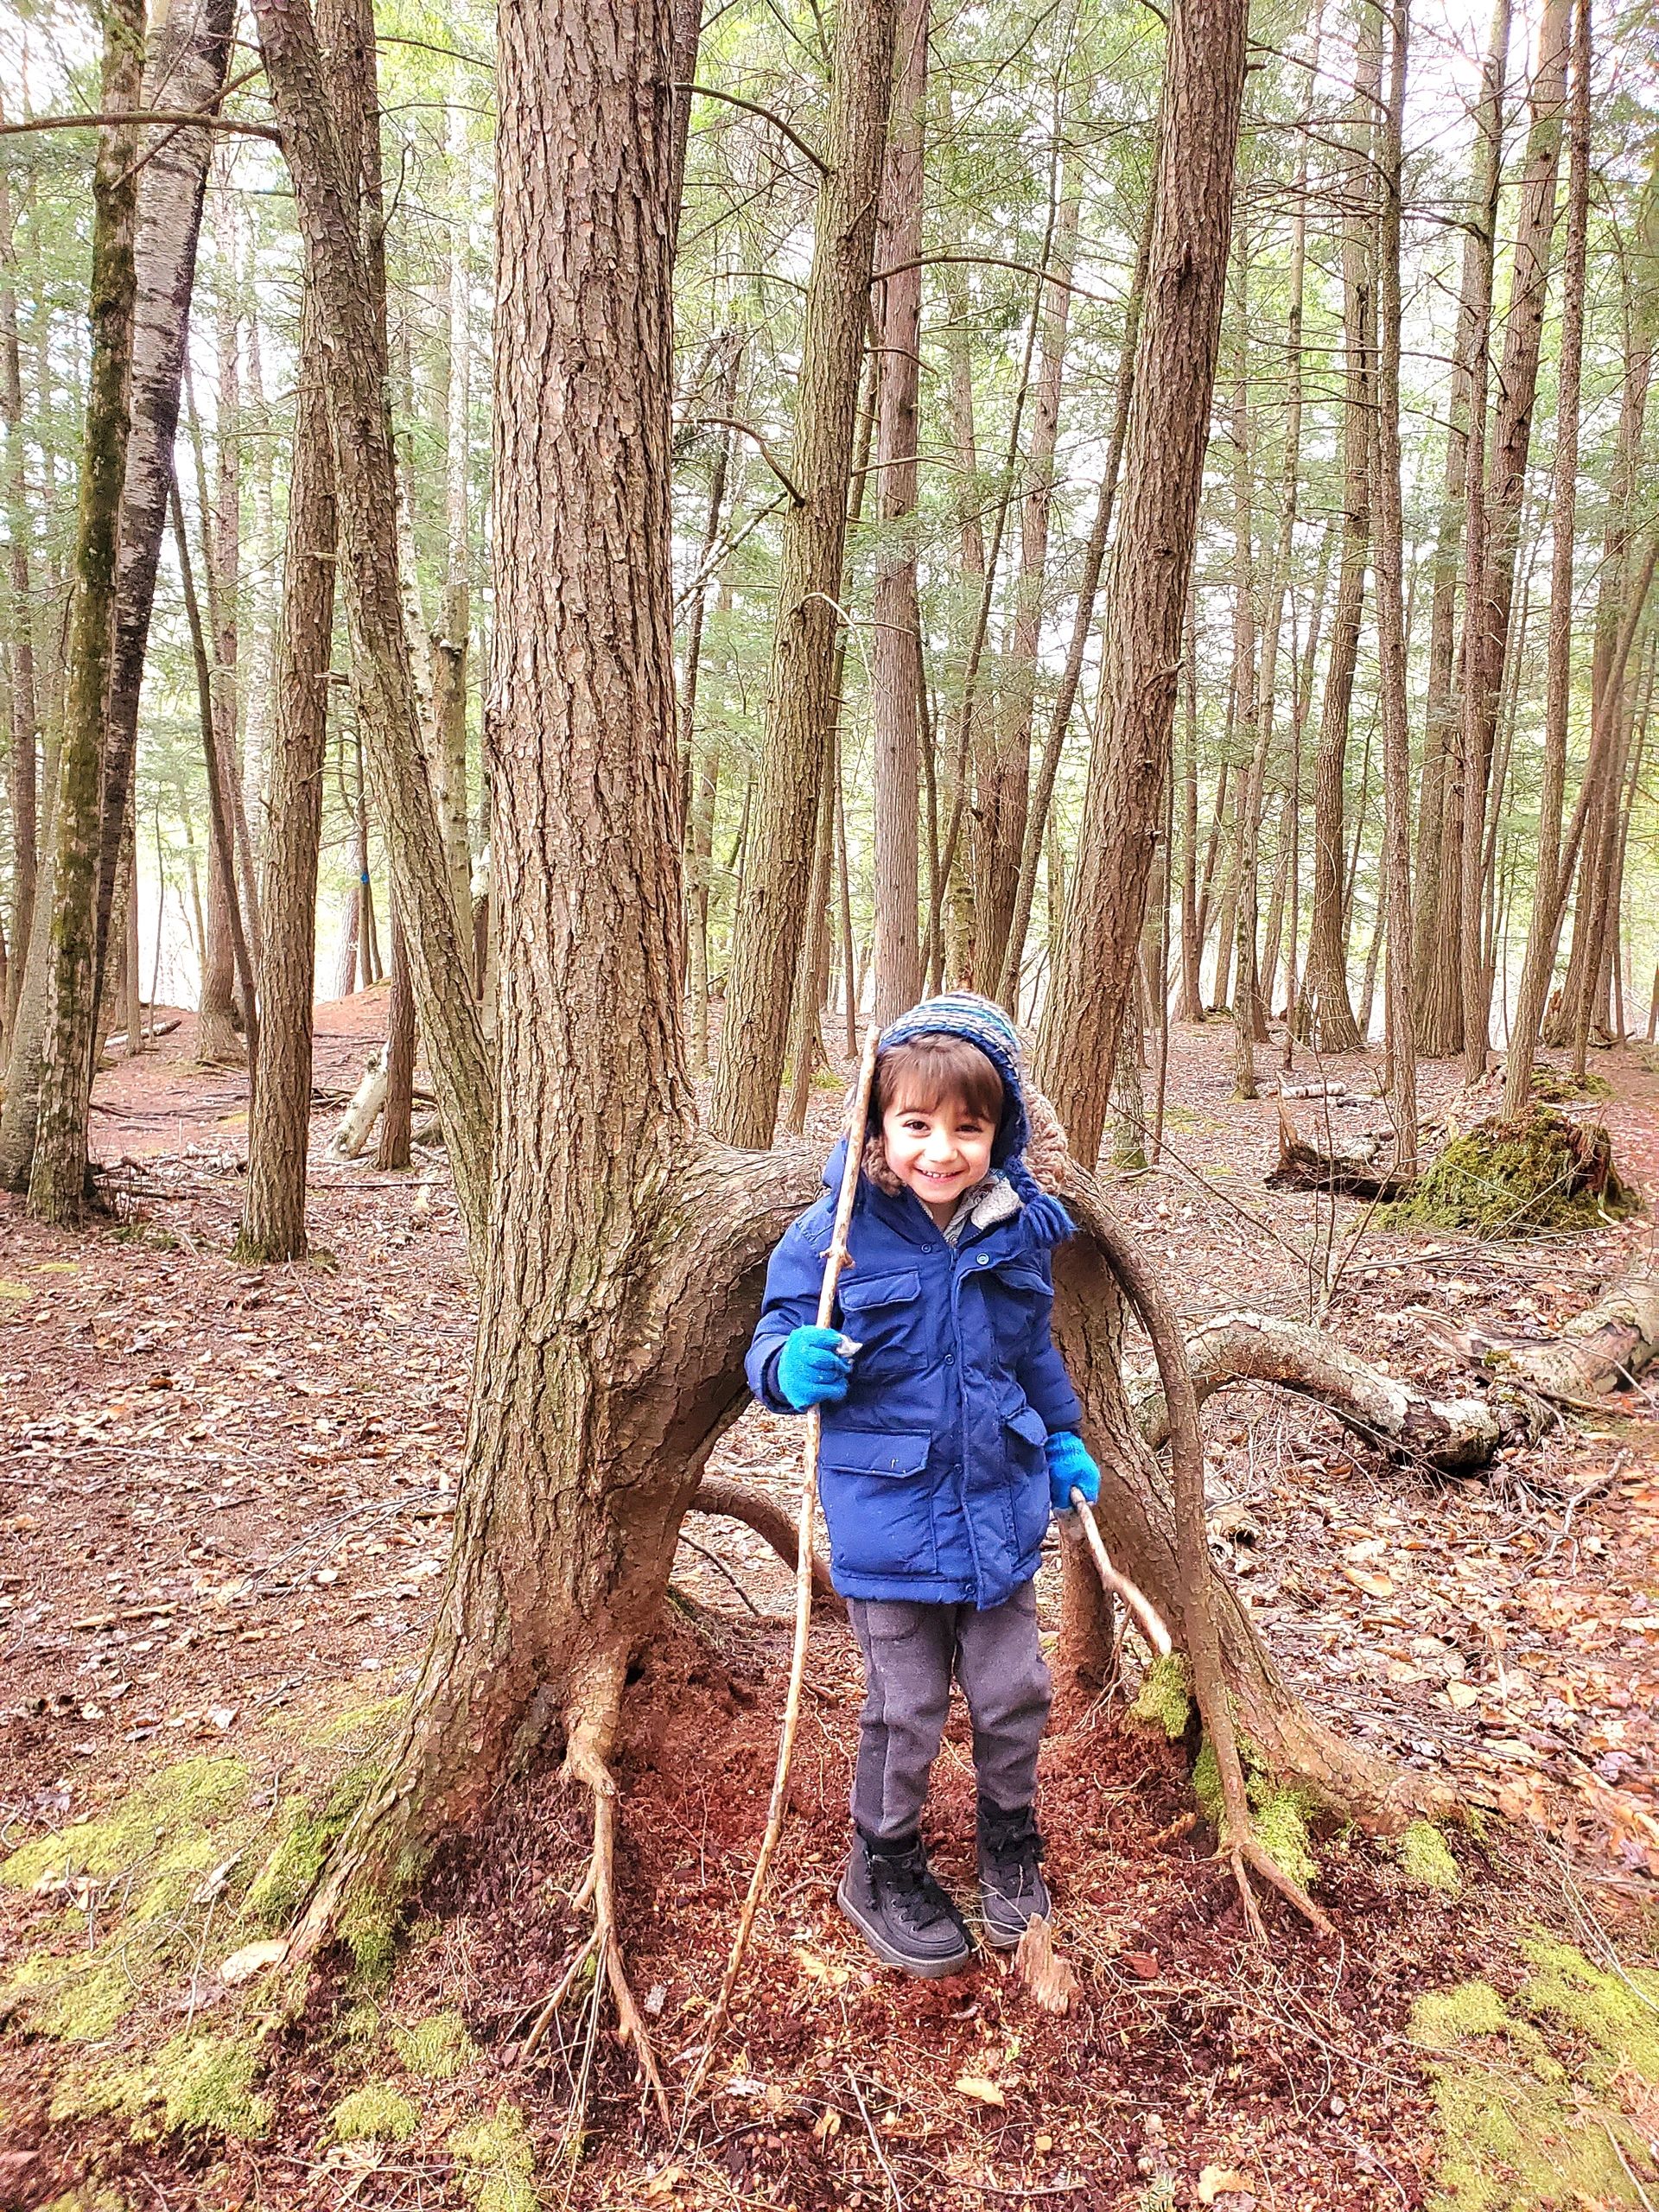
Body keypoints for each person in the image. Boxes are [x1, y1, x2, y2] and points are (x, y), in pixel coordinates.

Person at [744, 993, 1101, 1978]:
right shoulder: (838, 1233)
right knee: (903, 1703)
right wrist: (789, 1365)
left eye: (968, 1128)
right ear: (877, 1125)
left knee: (1013, 1688)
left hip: (999, 1511)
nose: (941, 1150)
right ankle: (883, 1859)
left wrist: (1063, 1438)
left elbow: (1031, 1350)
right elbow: (771, 1338)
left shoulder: (1015, 1230)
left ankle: (1008, 1840)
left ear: (1001, 1133)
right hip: (888, 1522)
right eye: (917, 1125)